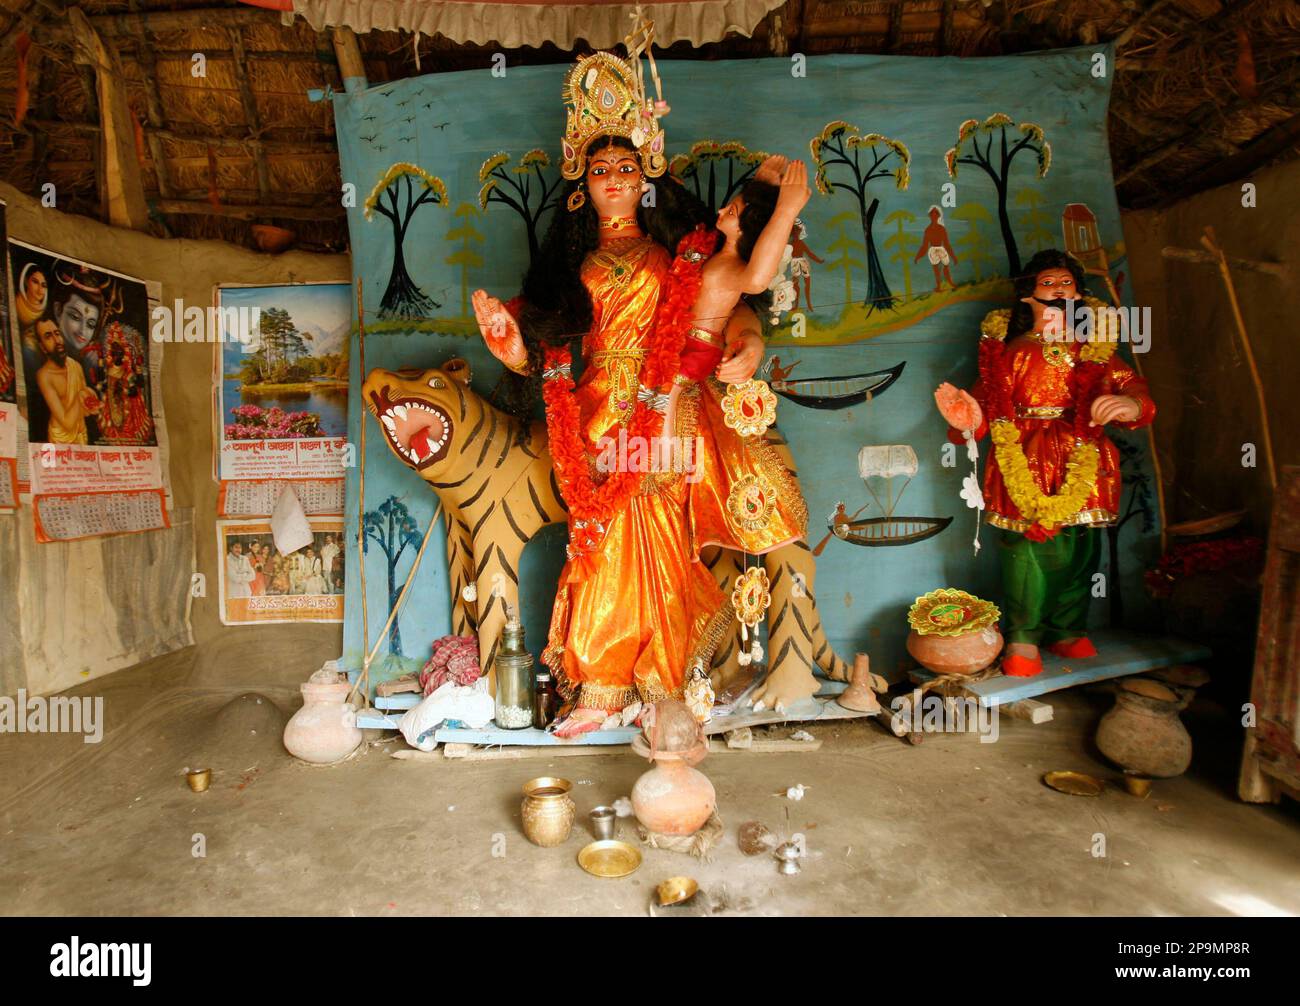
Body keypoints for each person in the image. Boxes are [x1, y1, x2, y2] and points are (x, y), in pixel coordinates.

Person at [470, 37, 807, 736]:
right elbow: (541, 353)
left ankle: (660, 682)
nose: (616, 180)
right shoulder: (567, 268)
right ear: (581, 183)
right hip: (592, 416)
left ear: (647, 175)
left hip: (666, 409)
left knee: (656, 539)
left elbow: (736, 298)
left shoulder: (676, 256)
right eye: (601, 170)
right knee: (596, 541)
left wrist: (749, 338)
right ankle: (600, 686)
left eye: (627, 166)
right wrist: (508, 346)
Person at [934, 249, 1155, 677]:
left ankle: (1068, 630)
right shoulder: (1012, 352)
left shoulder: (1098, 352)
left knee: (1082, 549)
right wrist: (968, 420)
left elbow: (1138, 391)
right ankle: (1023, 637)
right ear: (1028, 296)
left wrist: (1129, 404)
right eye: (1048, 283)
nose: (1058, 291)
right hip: (1025, 459)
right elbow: (984, 409)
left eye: (1066, 283)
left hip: (1085, 455)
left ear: (1078, 293)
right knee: (1028, 552)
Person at [662, 157, 810, 434]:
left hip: (698, 347)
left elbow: (756, 280)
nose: (720, 209)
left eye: (730, 211)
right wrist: (761, 186)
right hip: (686, 343)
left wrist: (785, 211)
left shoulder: (733, 268)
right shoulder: (715, 254)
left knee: (667, 395)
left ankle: (664, 449)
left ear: (743, 228)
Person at [34, 318, 98, 444]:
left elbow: (85, 409)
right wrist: (81, 395)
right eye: (48, 337)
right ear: (42, 347)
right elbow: (67, 423)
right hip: (60, 441)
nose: (57, 340)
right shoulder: (44, 376)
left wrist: (92, 402)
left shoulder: (76, 366)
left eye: (57, 334)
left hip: (82, 436)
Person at [914, 206, 958, 292]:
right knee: (936, 269)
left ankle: (950, 283)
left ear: (938, 216)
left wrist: (953, 257)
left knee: (946, 266)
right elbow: (924, 246)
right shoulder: (928, 230)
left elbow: (947, 244)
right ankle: (939, 286)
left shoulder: (942, 229)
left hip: (941, 249)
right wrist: (917, 257)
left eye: (936, 214)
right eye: (932, 214)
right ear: (930, 216)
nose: (934, 216)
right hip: (933, 250)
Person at [788, 219, 824, 310]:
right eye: (794, 231)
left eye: (798, 231)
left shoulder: (800, 243)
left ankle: (808, 304)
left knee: (807, 283)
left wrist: (818, 260)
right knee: (796, 284)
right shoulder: (790, 244)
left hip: (802, 262)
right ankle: (796, 305)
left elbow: (809, 253)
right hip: (795, 262)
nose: (796, 233)